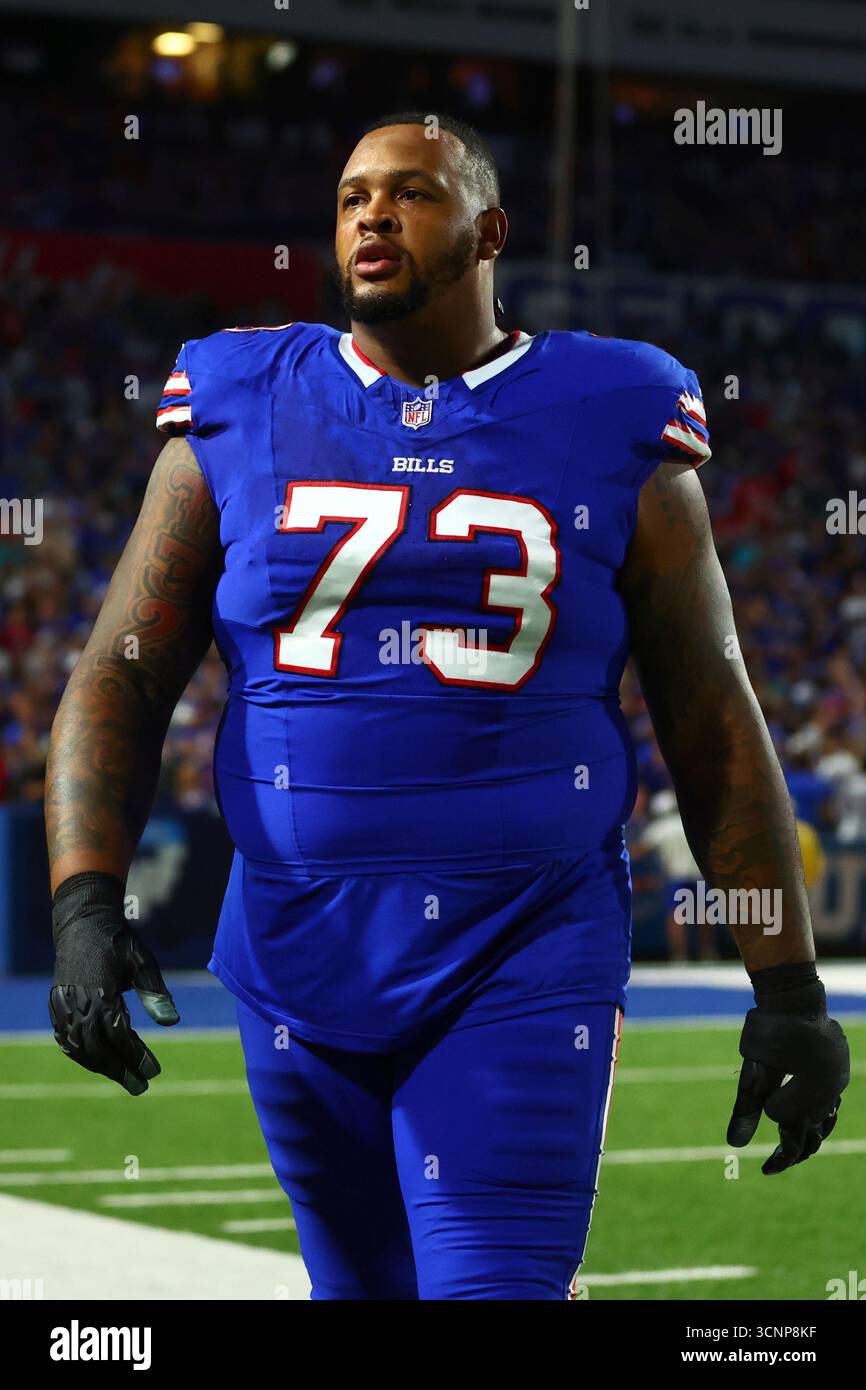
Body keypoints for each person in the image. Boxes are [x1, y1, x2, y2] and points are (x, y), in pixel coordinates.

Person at [45, 110, 849, 1301]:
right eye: (351, 194)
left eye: (410, 191)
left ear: (488, 231)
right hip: (291, 957)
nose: (371, 212)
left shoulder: (608, 405)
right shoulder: (240, 393)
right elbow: (120, 667)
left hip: (520, 953)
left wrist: (785, 985)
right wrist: (81, 901)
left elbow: (709, 709)